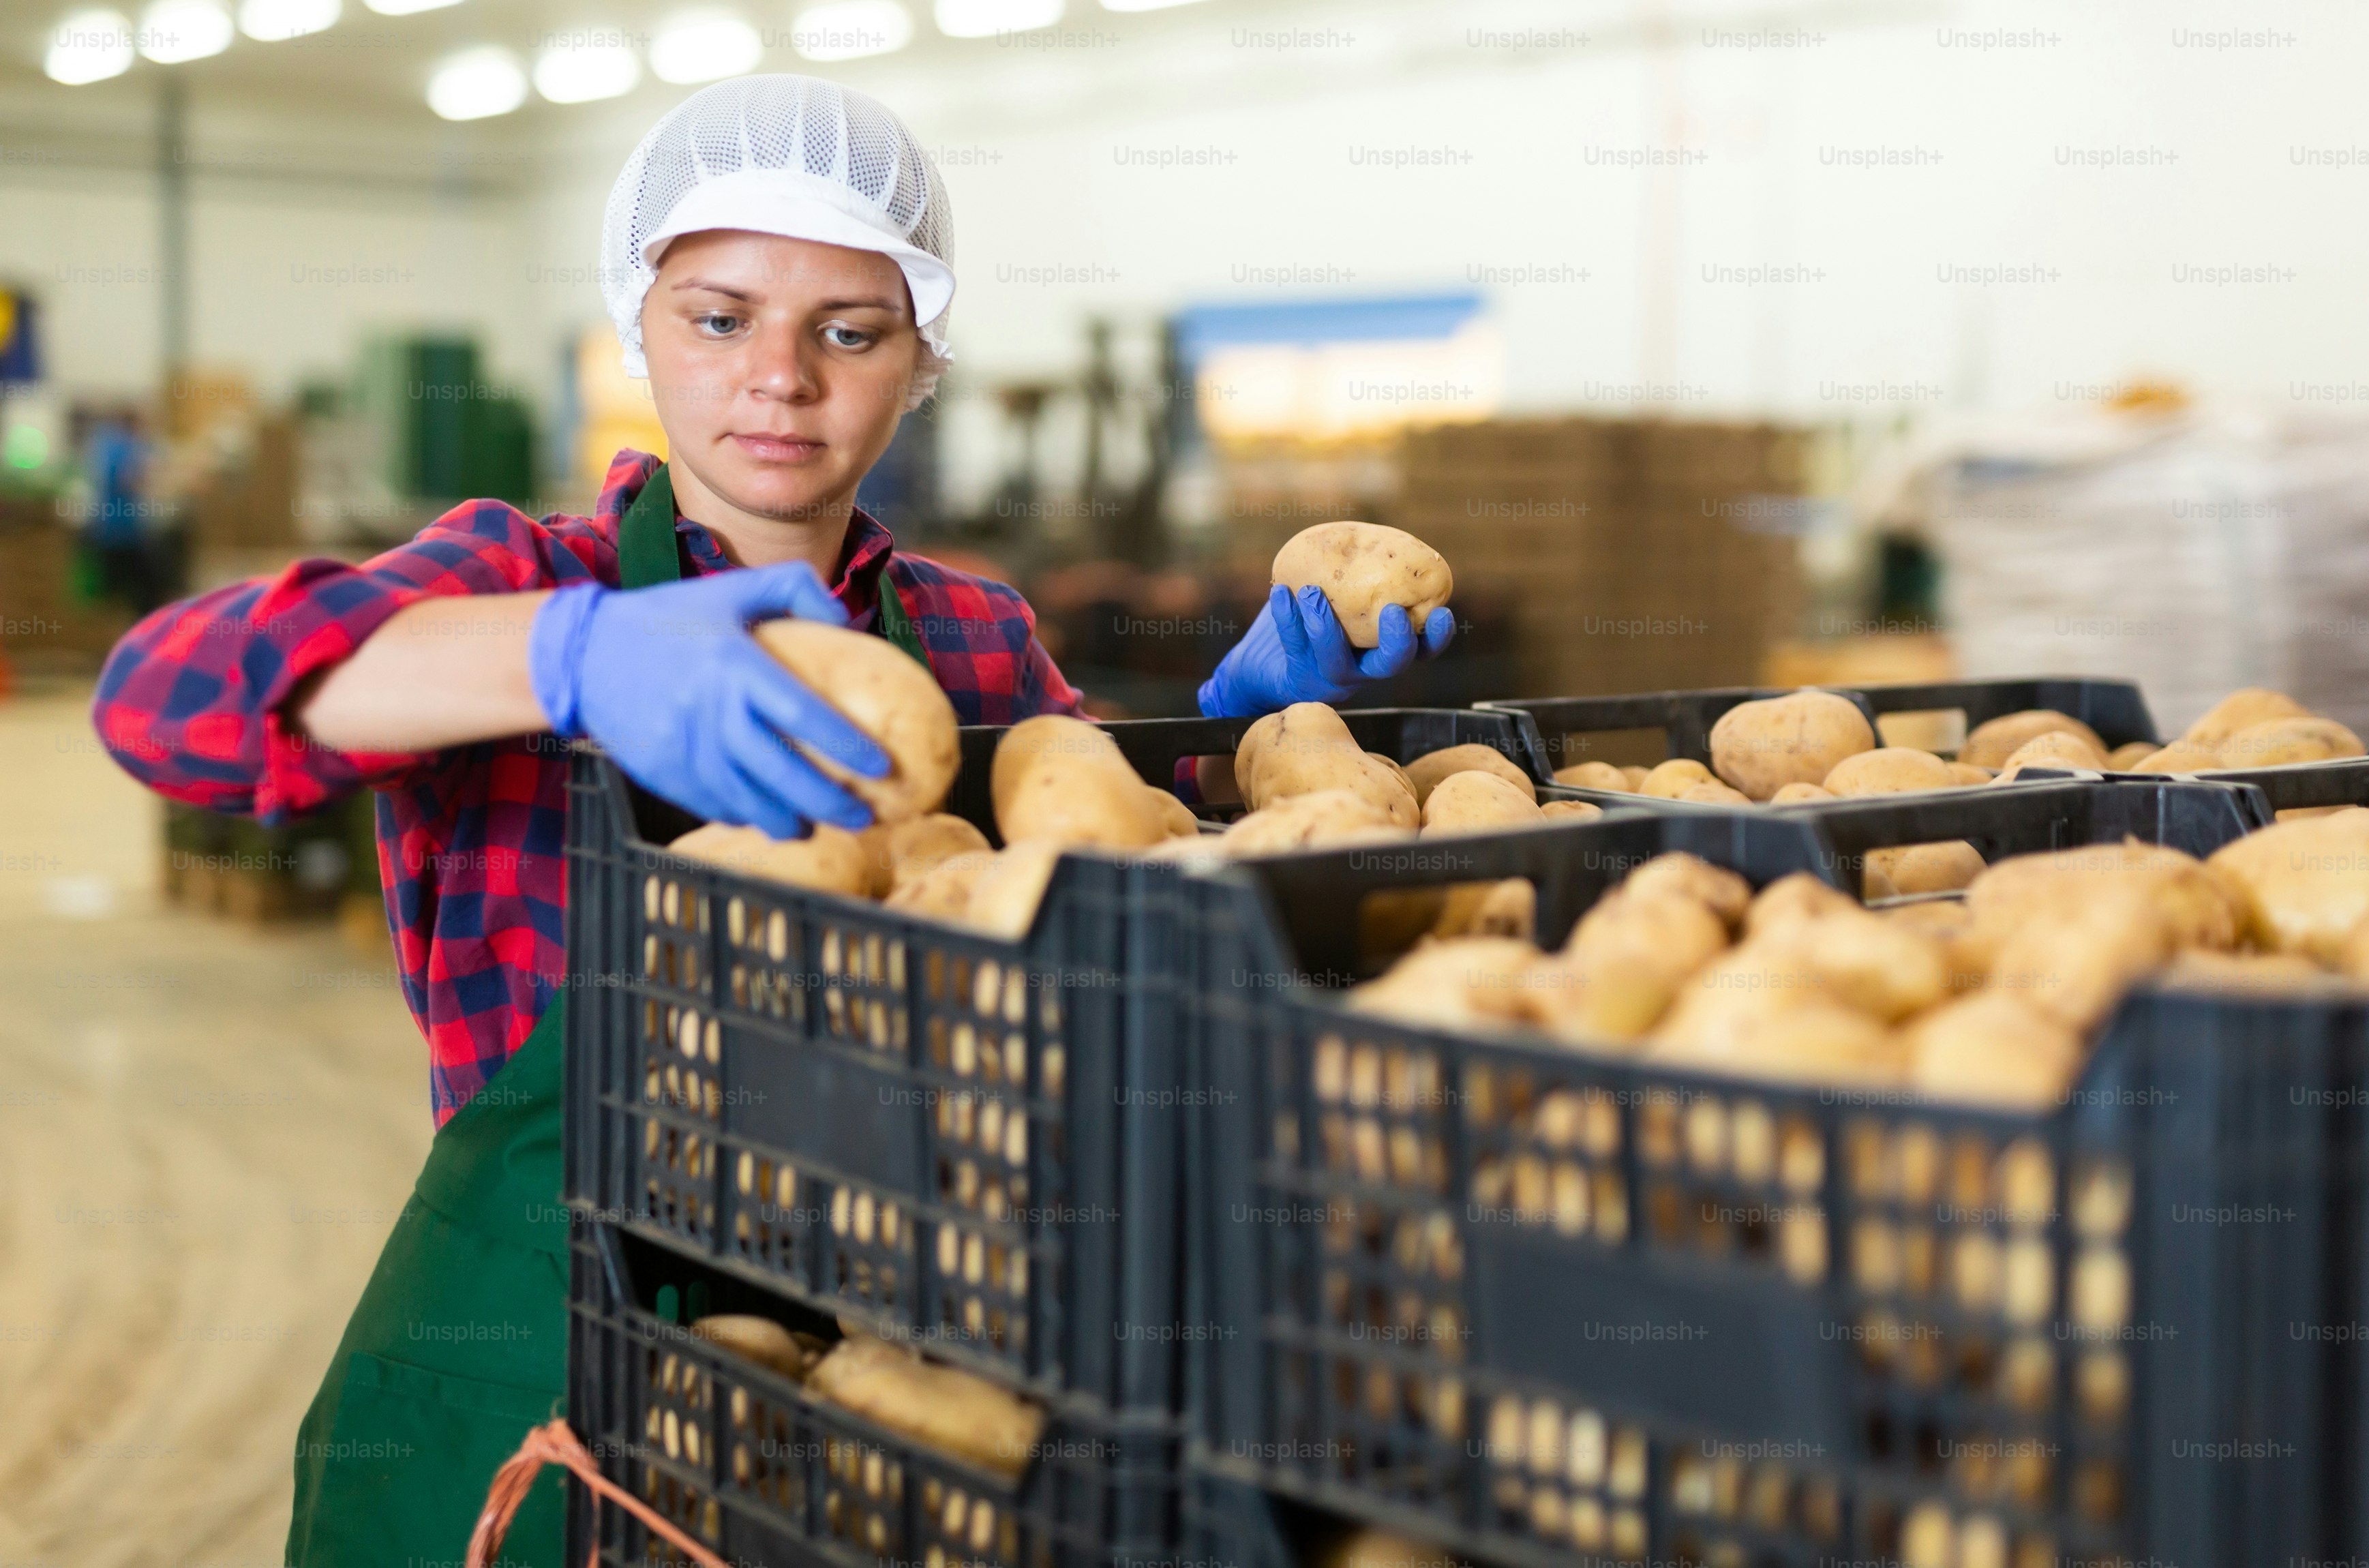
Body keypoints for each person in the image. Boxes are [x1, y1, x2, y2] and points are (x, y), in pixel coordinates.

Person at [90, 74, 1451, 1565]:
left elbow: (1114, 864)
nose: (779, 379)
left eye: (847, 331)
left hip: (905, 1331)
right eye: (719, 316)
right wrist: (565, 655)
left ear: (919, 358)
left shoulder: (978, 638)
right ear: (640, 322)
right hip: (547, 1342)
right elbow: (164, 705)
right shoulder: (515, 576)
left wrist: (1244, 727)